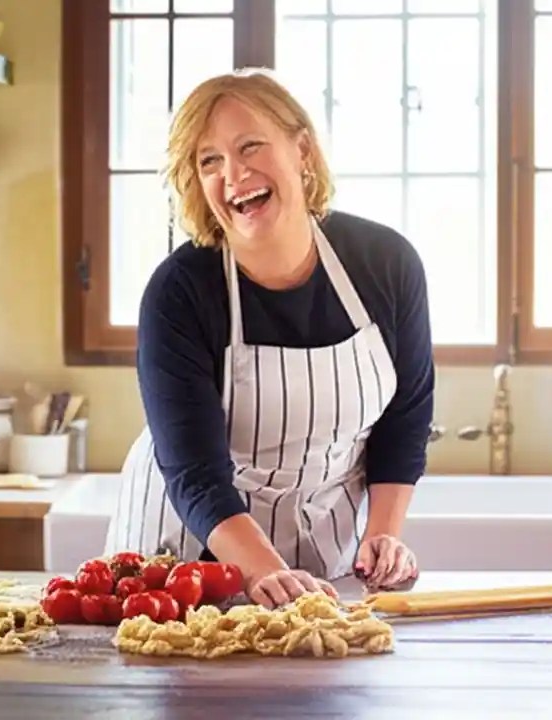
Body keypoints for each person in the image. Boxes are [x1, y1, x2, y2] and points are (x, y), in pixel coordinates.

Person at [106, 68, 434, 608]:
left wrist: (384, 534)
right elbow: (194, 470)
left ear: (302, 149)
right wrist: (262, 569)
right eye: (209, 161)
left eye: (250, 147)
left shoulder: (385, 264)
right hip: (190, 554)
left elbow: (406, 418)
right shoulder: (180, 291)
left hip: (321, 555)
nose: (233, 175)